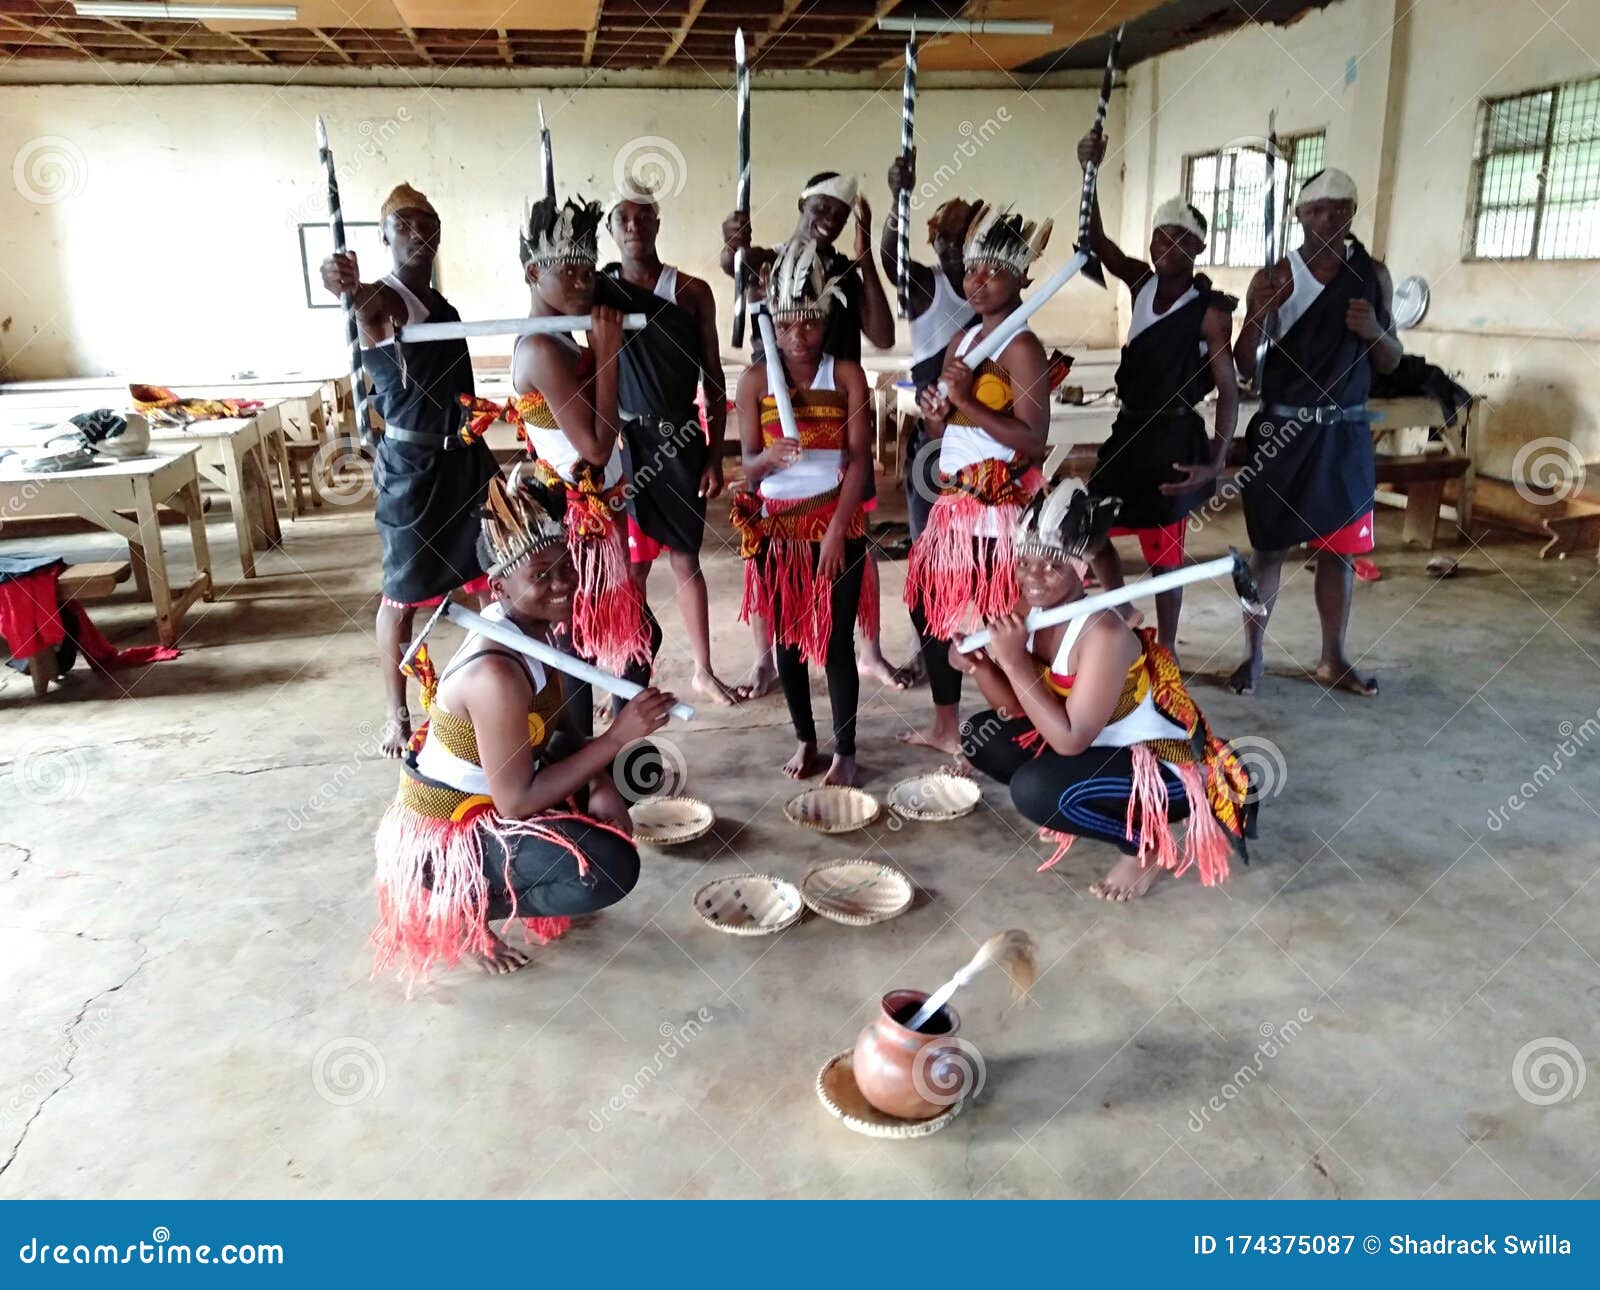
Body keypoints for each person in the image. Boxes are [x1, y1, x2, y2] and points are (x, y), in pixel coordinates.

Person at [372, 471, 677, 986]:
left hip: (498, 800)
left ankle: (516, 871)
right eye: (541, 575)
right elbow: (515, 802)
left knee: (625, 780)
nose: (562, 585)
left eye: (566, 567)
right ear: (499, 587)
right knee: (611, 867)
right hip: (453, 835)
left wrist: (601, 782)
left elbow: (556, 735)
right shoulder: (495, 674)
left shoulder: (538, 636)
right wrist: (619, 737)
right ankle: (464, 906)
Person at [958, 480, 1254, 902]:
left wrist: (1012, 661)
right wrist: (983, 666)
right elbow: (1014, 711)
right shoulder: (1030, 607)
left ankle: (1146, 847)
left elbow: (1070, 739)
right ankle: (1083, 803)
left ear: (1081, 570)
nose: (1033, 577)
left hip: (1156, 766)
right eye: (1024, 562)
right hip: (1098, 751)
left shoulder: (1105, 633)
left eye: (1052, 566)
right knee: (980, 736)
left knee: (1036, 790)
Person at [320, 183, 499, 760]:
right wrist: (342, 280)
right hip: (411, 469)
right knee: (400, 594)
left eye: (427, 224)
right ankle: (398, 717)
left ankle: (486, 685)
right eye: (404, 225)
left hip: (464, 460)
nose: (418, 234)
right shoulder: (383, 302)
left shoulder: (444, 311)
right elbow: (359, 299)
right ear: (385, 236)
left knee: (486, 574)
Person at [720, 172, 908, 695]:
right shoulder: (771, 259)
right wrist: (730, 242)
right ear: (802, 204)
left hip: (838, 401)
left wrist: (865, 255)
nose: (828, 219)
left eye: (839, 213)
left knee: (853, 536)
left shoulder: (847, 270)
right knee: (770, 547)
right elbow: (733, 263)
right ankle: (769, 657)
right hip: (778, 408)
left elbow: (884, 334)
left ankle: (864, 652)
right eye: (820, 207)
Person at [1230, 167, 1401, 697]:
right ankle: (1252, 655)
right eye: (1316, 209)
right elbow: (1242, 366)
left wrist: (1373, 331)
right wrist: (1258, 315)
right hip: (1283, 433)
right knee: (1269, 551)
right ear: (1300, 215)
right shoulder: (1276, 276)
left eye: (1339, 209)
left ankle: (1334, 659)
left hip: (1343, 436)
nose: (1328, 218)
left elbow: (1392, 362)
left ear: (1352, 214)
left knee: (1339, 552)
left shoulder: (1373, 276)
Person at [1076, 132, 1241, 657]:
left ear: (1195, 248)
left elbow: (1229, 386)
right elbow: (1097, 241)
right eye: (1156, 237)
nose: (1161, 247)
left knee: (1165, 547)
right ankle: (1121, 607)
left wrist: (1217, 458)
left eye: (1174, 240)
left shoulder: (1210, 310)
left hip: (1174, 432)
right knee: (1091, 525)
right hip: (1130, 427)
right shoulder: (1140, 282)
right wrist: (1090, 172)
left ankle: (1165, 646)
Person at [899, 202, 1052, 755]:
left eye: (994, 271)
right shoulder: (965, 339)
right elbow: (946, 419)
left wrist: (964, 399)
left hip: (997, 507)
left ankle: (1026, 726)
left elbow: (1034, 440)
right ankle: (947, 724)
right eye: (972, 270)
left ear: (1022, 278)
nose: (979, 281)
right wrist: (936, 408)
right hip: (953, 499)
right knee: (931, 607)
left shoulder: (1021, 347)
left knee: (999, 622)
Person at [499, 192, 656, 705]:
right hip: (573, 517)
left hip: (594, 513)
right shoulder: (542, 348)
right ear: (531, 274)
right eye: (564, 270)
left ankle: (604, 751)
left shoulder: (562, 338)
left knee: (613, 637)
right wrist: (606, 353)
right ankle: (595, 758)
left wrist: (596, 351)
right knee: (588, 640)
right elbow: (593, 445)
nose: (580, 281)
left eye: (586, 271)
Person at [730, 240, 874, 787]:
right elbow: (746, 470)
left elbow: (859, 458)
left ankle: (847, 748)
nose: (798, 337)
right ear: (774, 324)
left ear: (825, 319)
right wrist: (767, 459)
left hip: (835, 522)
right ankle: (805, 738)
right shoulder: (753, 381)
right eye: (786, 325)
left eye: (809, 324)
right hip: (777, 529)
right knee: (788, 642)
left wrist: (838, 528)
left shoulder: (846, 375)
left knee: (835, 640)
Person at [604, 190, 738, 706]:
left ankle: (703, 670)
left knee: (686, 559)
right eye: (623, 219)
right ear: (612, 230)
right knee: (632, 569)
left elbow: (713, 373)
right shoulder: (604, 292)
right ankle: (626, 675)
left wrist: (714, 454)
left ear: (657, 225)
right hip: (630, 447)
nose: (634, 226)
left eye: (643, 218)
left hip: (681, 439)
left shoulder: (691, 291)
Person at [879, 156, 978, 679]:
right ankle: (931, 646)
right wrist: (899, 201)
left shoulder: (995, 294)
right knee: (928, 553)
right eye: (947, 239)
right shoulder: (927, 287)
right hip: (937, 443)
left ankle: (987, 645)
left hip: (984, 444)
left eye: (966, 238)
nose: (957, 248)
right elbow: (889, 255)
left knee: (987, 555)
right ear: (935, 244)